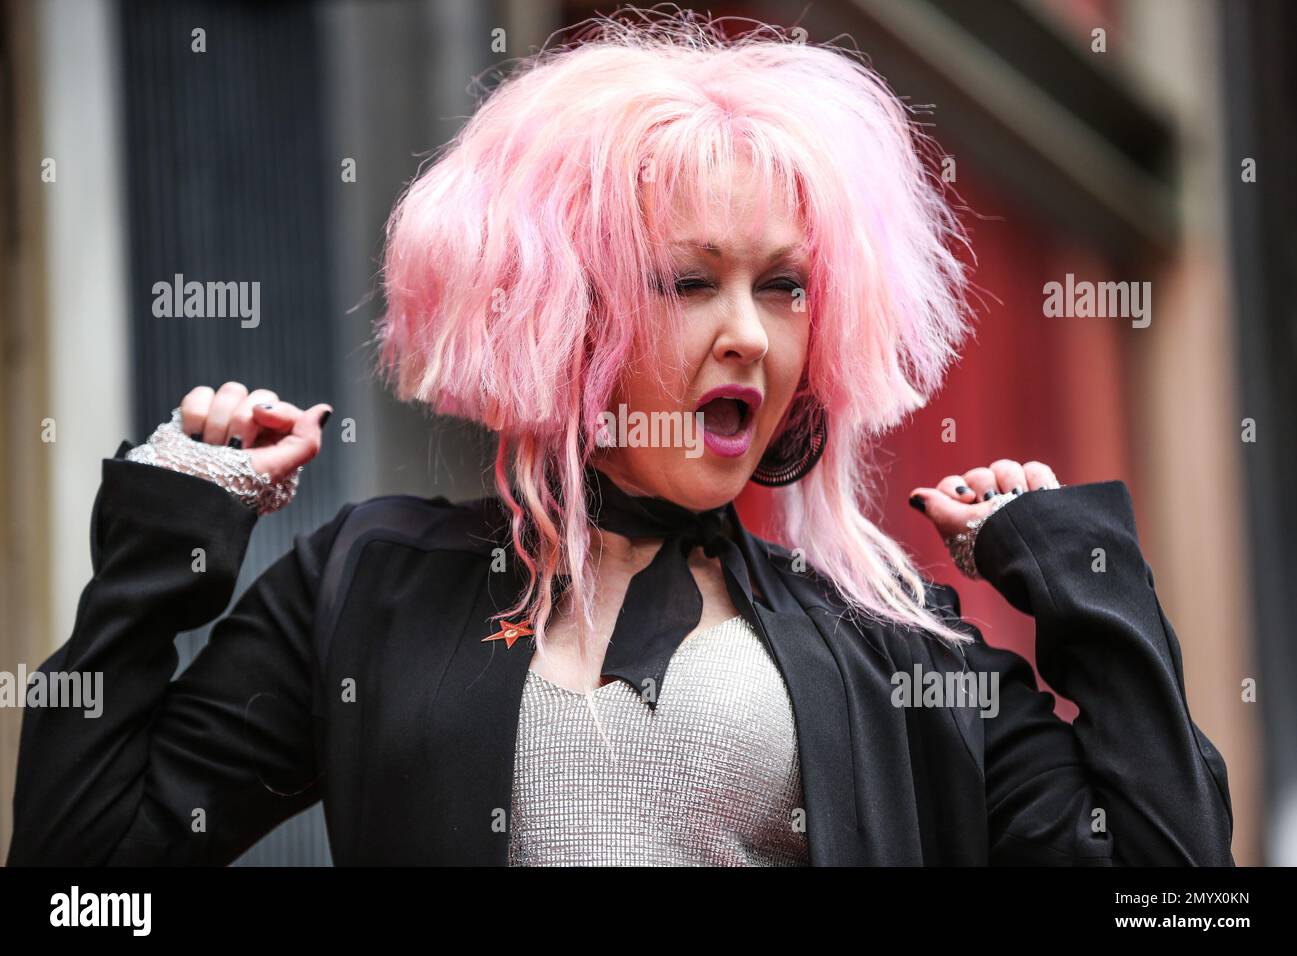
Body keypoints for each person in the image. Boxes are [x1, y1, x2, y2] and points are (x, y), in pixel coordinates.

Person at [7, 8, 1232, 866]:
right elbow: (84, 879)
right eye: (688, 282)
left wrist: (1078, 574)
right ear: (564, 304)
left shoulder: (891, 633)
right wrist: (167, 536)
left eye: (786, 286)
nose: (749, 334)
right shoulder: (367, 588)